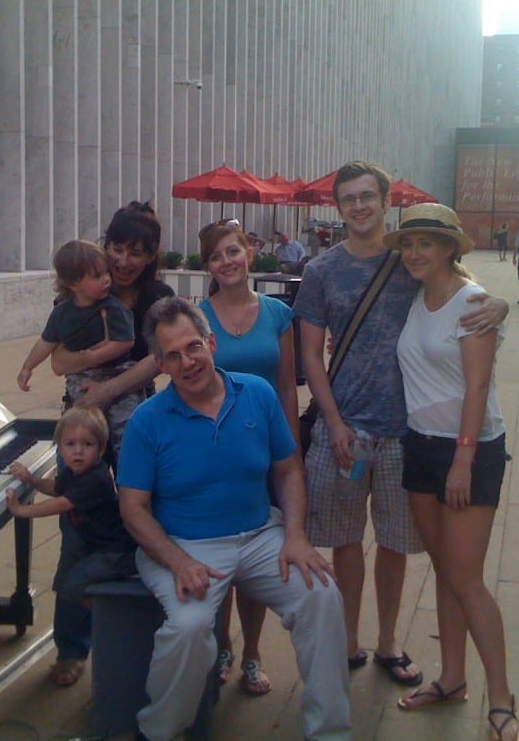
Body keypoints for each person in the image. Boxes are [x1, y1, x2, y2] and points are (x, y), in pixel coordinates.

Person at [293, 160, 508, 689]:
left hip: (406, 433)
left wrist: (499, 303)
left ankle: (388, 639)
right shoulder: (322, 271)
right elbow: (311, 356)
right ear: (337, 206)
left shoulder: (409, 261)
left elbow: (460, 291)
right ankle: (347, 639)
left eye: (368, 196)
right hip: (345, 429)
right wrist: (334, 422)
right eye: (349, 198)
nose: (359, 206)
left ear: (386, 201)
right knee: (344, 541)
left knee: (394, 544)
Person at [118, 296, 351, 741]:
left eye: (192, 347)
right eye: (173, 355)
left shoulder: (257, 394)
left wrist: (295, 535)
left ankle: (331, 732)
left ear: (211, 343)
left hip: (259, 533)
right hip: (184, 545)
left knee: (321, 596)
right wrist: (176, 561)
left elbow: (288, 469)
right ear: (160, 364)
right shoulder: (147, 421)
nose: (187, 362)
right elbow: (133, 508)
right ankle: (158, 731)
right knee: (188, 628)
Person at [381, 203, 519, 741]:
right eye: (409, 243)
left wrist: (463, 458)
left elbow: (478, 388)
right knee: (444, 571)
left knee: (466, 578)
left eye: (426, 243)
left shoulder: (473, 303)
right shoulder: (417, 298)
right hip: (421, 446)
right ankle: (452, 679)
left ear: (449, 248)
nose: (415, 253)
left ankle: (502, 697)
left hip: (470, 451)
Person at [46, 200, 175, 685]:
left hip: (133, 416)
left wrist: (102, 388)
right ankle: (72, 646)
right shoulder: (79, 287)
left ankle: (143, 630)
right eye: (117, 247)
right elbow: (57, 359)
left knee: (142, 512)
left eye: (136, 252)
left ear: (151, 255)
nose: (123, 261)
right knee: (76, 518)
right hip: (80, 423)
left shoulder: (156, 296)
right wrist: (83, 369)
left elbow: (156, 357)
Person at [198, 217, 300, 697]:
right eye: (217, 256)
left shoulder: (278, 314)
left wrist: (292, 450)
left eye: (233, 251)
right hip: (214, 450)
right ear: (208, 267)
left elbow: (286, 387)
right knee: (220, 555)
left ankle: (254, 652)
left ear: (249, 254)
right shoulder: (198, 316)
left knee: (259, 557)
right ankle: (221, 645)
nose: (227, 262)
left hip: (265, 450)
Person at [5, 407, 137, 687]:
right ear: (60, 446)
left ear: (101, 450)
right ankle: (74, 647)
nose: (78, 451)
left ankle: (107, 616)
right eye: (70, 444)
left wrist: (21, 510)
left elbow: (61, 504)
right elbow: (56, 489)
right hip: (89, 545)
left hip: (114, 552)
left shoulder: (96, 477)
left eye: (87, 445)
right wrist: (30, 479)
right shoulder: (74, 472)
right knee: (66, 585)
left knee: (71, 585)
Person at [16, 239, 140, 457]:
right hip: (79, 383)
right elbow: (46, 342)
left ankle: (127, 468)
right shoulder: (61, 313)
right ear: (73, 284)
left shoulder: (113, 308)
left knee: (126, 431)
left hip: (117, 376)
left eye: (106, 273)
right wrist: (27, 367)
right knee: (82, 432)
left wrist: (94, 356)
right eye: (97, 276)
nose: (106, 280)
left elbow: (125, 341)